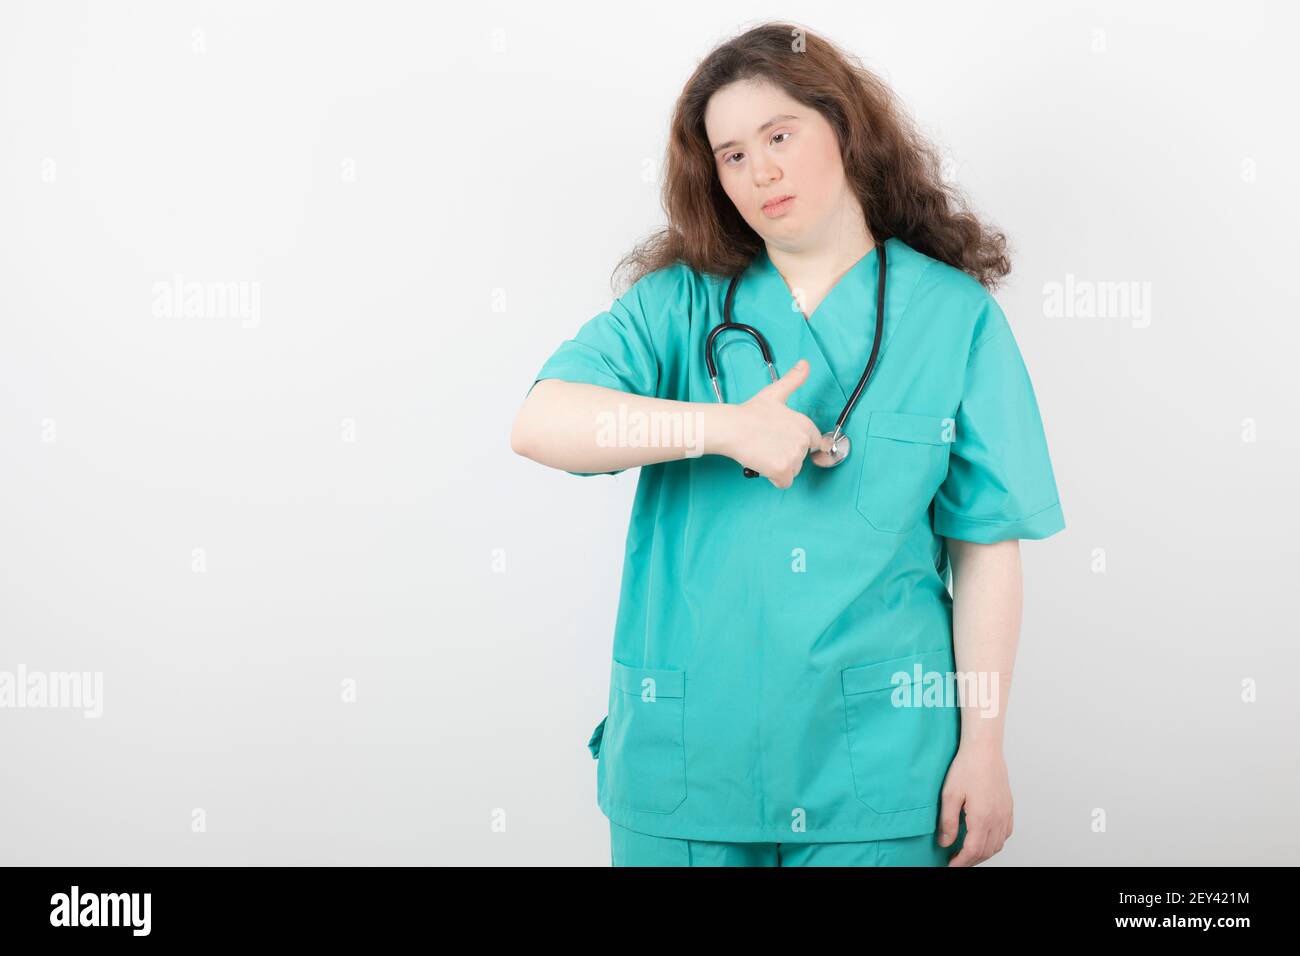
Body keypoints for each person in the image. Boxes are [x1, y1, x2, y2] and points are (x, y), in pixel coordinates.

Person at [510, 21, 1065, 867]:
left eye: (779, 135)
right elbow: (541, 422)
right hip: (688, 763)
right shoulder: (679, 307)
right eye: (731, 154)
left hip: (878, 769)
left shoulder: (954, 318)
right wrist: (724, 425)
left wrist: (983, 747)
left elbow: (986, 546)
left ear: (843, 128)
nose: (760, 170)